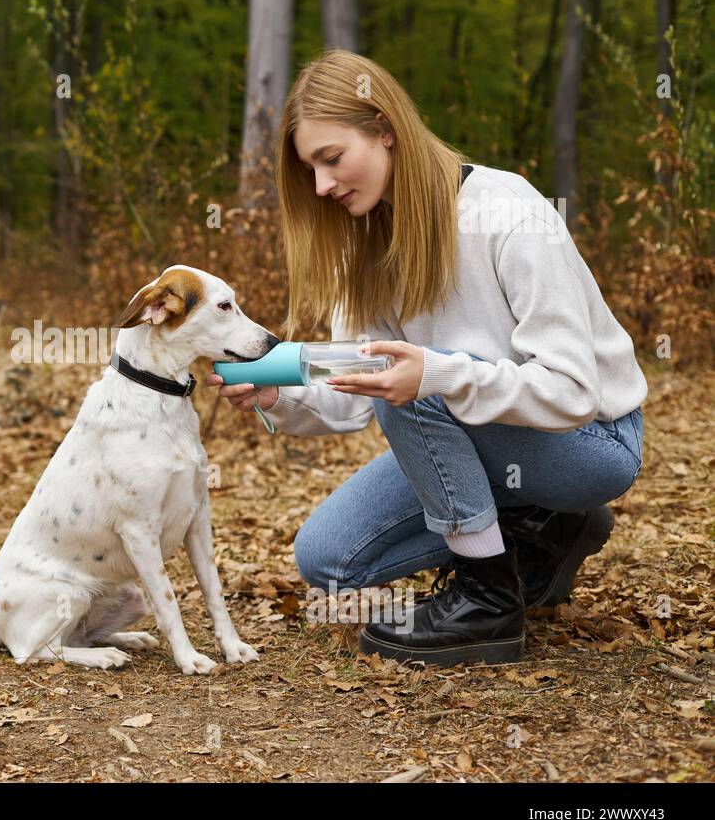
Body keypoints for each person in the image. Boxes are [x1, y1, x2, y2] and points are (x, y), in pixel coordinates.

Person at [207, 49, 647, 667]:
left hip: (591, 441)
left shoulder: (508, 211)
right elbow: (358, 387)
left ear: (385, 130)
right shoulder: (359, 249)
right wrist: (280, 394)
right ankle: (544, 528)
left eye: (332, 160)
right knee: (329, 558)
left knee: (418, 381)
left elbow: (573, 390)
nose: (322, 186)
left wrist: (435, 375)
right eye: (310, 169)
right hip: (489, 439)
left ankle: (487, 597)